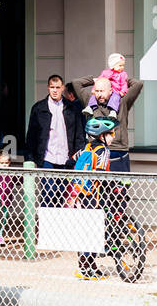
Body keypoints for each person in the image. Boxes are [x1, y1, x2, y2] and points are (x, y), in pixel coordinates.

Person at [66, 113, 117, 280]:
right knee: (94, 231)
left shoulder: (86, 148)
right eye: (112, 134)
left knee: (86, 231)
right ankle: (85, 268)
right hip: (95, 197)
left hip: (81, 195)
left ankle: (87, 266)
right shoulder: (103, 150)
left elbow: (70, 161)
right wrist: (115, 187)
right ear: (102, 135)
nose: (113, 137)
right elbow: (102, 173)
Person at [72, 71, 143, 172]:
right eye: (97, 91)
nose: (99, 94)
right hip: (97, 151)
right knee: (98, 186)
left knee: (120, 187)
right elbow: (76, 83)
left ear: (110, 90)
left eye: (102, 91)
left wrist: (119, 79)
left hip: (118, 151)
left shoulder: (122, 101)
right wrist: (93, 80)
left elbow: (138, 84)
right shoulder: (89, 101)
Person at [25, 75, 85, 169]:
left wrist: (77, 157)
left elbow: (79, 135)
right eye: (52, 87)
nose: (55, 90)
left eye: (57, 87)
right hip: (46, 158)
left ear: (62, 88)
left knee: (64, 184)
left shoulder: (72, 109)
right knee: (47, 184)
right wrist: (30, 158)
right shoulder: (39, 108)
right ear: (48, 88)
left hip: (66, 159)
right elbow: (31, 136)